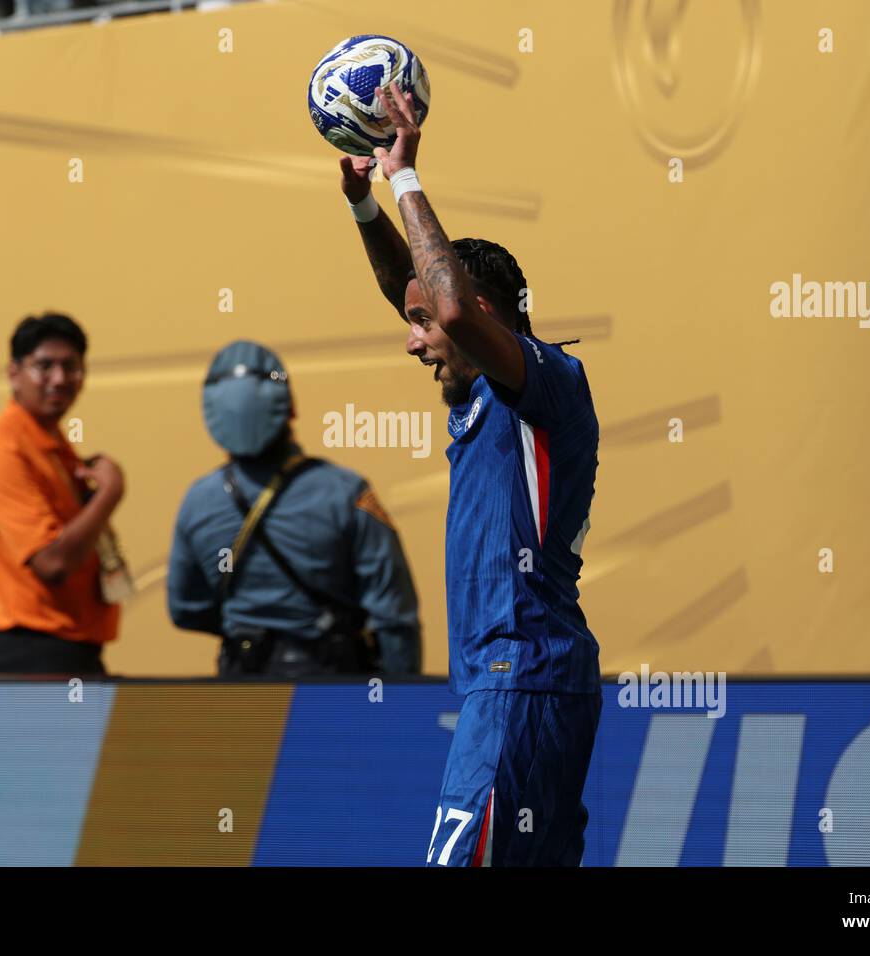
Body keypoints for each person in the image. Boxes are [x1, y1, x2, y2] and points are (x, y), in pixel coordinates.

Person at [339, 85, 602, 866]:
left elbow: (448, 313)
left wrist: (406, 177)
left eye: (420, 324)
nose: (412, 340)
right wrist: (362, 205)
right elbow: (419, 293)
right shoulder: (490, 387)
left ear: (483, 309)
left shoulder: (549, 383)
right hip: (530, 682)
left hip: (520, 678)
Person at [167, 340, 421, 678]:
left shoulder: (197, 501)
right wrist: (400, 707)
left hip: (239, 691)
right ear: (291, 408)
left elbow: (185, 608)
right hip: (331, 691)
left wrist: (249, 625)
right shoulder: (348, 492)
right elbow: (394, 616)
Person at [0, 313, 131, 676]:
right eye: (44, 366)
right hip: (35, 650)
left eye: (71, 367)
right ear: (14, 373)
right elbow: (51, 563)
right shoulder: (5, 450)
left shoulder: (51, 443)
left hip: (71, 646)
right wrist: (109, 495)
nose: (59, 379)